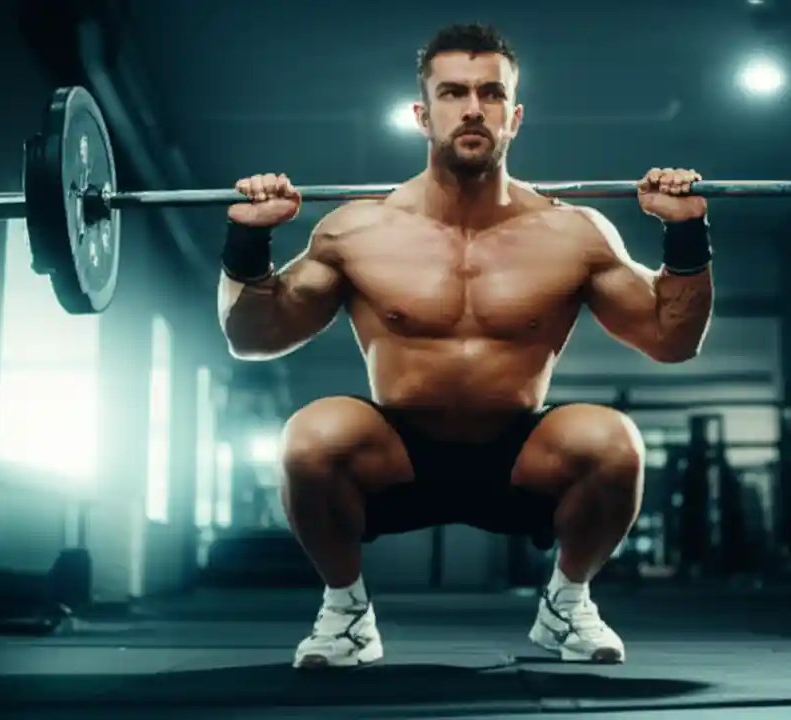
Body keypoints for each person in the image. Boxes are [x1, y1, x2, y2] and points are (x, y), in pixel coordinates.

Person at [217, 23, 714, 668]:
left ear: (516, 115)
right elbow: (253, 338)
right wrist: (248, 245)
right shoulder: (358, 230)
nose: (473, 108)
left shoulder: (573, 233)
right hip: (396, 457)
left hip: (517, 456)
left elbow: (672, 340)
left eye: (492, 93)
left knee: (615, 443)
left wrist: (685, 238)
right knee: (309, 437)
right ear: (423, 115)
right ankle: (345, 613)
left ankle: (567, 603)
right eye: (453, 93)